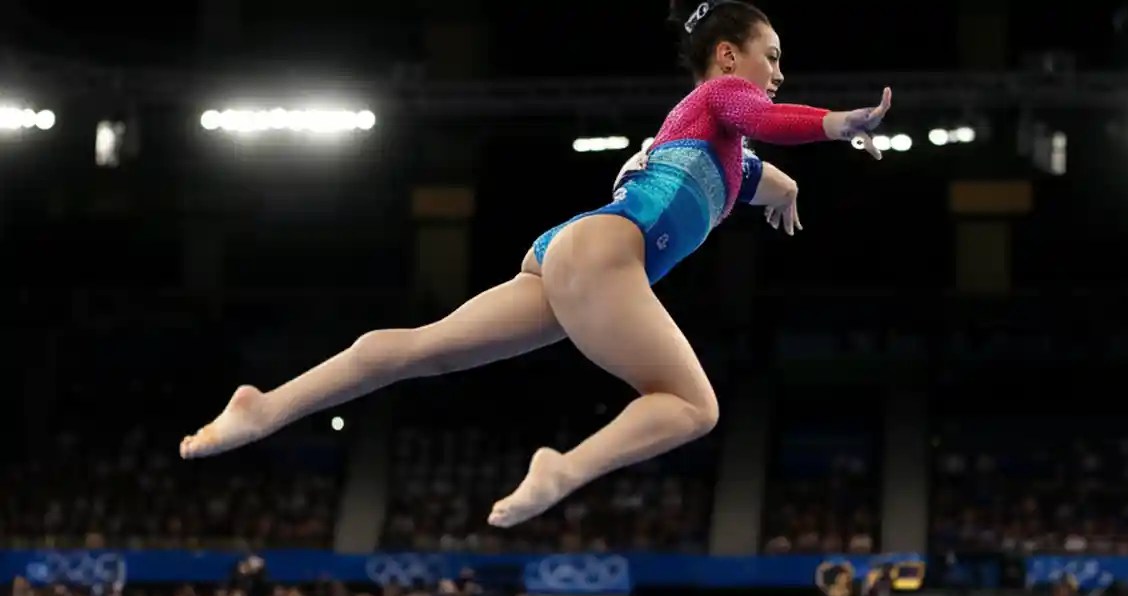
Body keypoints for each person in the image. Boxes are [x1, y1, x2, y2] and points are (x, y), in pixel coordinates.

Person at [179, 0, 892, 528]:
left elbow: (759, 173)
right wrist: (838, 124)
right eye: (772, 57)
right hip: (607, 254)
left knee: (424, 350)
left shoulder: (719, 148)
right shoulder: (719, 96)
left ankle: (263, 407)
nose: (779, 72)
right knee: (692, 406)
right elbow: (763, 120)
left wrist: (788, 191)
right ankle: (563, 468)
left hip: (567, 253)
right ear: (729, 56)